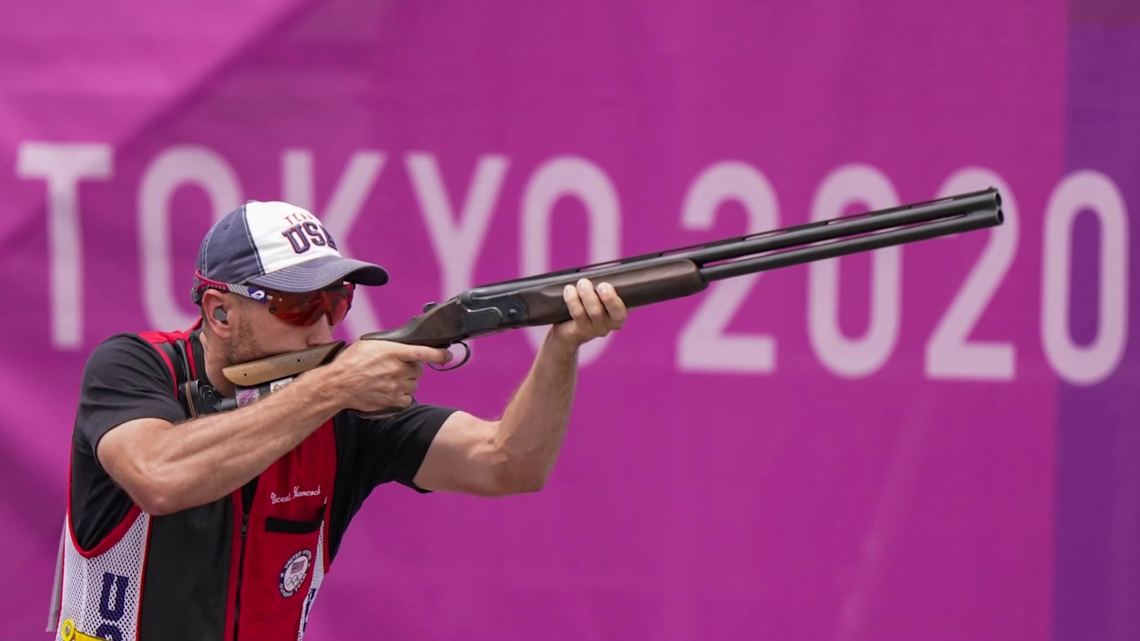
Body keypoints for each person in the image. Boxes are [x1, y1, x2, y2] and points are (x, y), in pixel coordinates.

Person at [48, 200, 628, 641]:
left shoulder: (341, 408)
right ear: (220, 312)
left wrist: (563, 347)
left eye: (337, 302)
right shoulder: (134, 366)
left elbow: (510, 464)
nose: (324, 330)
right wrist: (335, 385)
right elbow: (159, 476)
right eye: (299, 306)